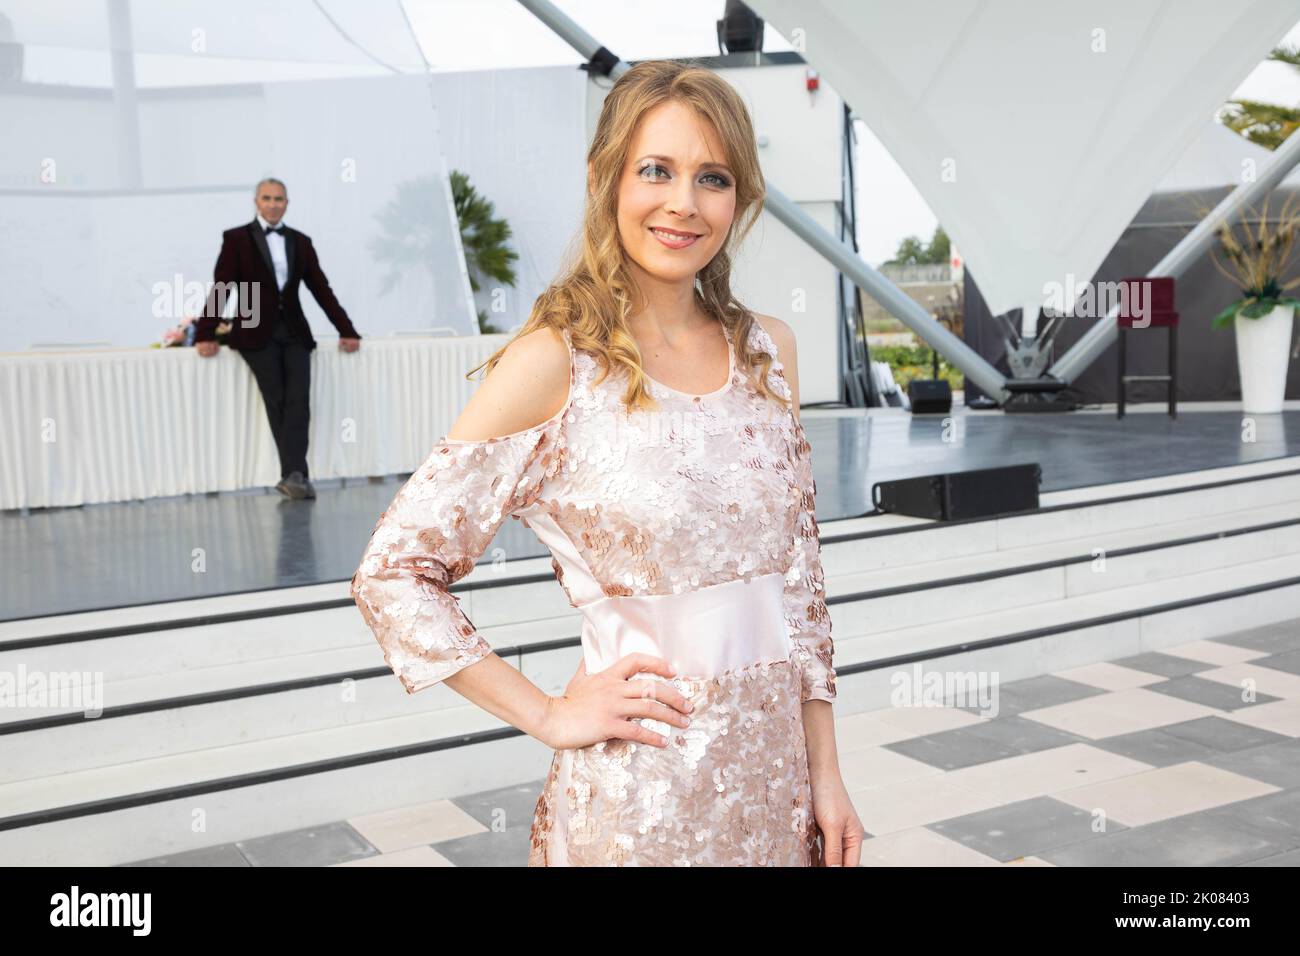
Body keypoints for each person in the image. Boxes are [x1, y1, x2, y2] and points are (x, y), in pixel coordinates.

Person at [350, 60, 864, 866]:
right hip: (638, 801)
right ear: (605, 179)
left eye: (713, 178)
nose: (683, 204)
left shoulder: (770, 351)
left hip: (777, 792)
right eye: (655, 170)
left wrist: (827, 773)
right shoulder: (557, 364)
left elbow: (798, 585)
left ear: (741, 199)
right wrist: (550, 714)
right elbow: (393, 574)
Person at [194, 177, 362, 500]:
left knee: (299, 401)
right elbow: (222, 288)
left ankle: (293, 475)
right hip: (254, 330)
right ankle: (296, 474)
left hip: (295, 331)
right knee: (279, 399)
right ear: (256, 202)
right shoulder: (236, 239)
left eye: (279, 199)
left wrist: (347, 329)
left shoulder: (300, 241)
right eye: (267, 198)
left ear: (287, 203)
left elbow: (320, 289)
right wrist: (204, 333)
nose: (273, 204)